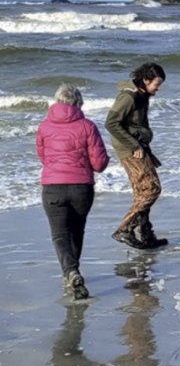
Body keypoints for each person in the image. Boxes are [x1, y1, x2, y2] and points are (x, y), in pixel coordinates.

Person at [36, 83, 110, 300]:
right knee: (77, 232)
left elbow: (43, 157)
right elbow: (99, 164)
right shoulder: (87, 125)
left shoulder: (43, 126)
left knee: (59, 235)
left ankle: (70, 272)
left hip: (52, 187)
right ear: (78, 103)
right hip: (81, 187)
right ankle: (72, 271)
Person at [105, 62, 167, 250]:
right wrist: (133, 145)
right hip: (130, 149)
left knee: (142, 192)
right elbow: (111, 123)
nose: (159, 88)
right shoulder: (128, 97)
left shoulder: (142, 95)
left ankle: (146, 235)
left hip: (139, 146)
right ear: (146, 80)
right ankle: (124, 229)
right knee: (151, 190)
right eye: (157, 84)